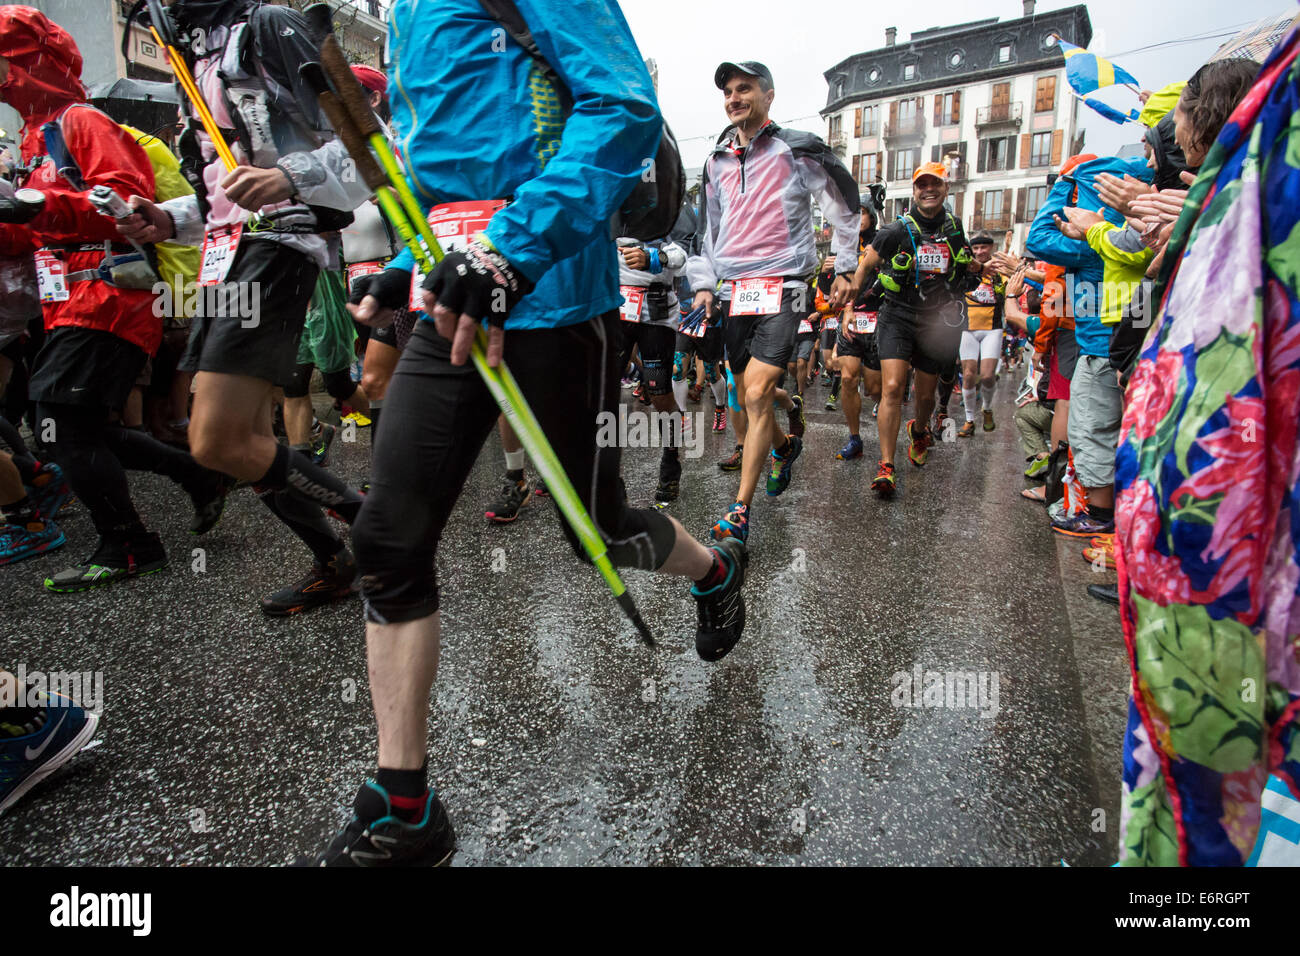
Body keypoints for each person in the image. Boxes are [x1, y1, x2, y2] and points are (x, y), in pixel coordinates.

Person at [306, 0, 749, 866]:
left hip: (553, 298)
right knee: (388, 538)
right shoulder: (406, 14)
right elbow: (449, 166)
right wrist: (405, 268)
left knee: (602, 531)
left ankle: (717, 568)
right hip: (452, 303)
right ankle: (406, 802)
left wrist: (513, 249)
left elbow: (622, 109)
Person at [118, 0, 373, 615]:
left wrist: (291, 173)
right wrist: (167, 218)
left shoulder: (267, 27)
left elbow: (372, 152)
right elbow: (219, 191)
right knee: (250, 439)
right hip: (223, 255)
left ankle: (373, 525)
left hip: (278, 248)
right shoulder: (189, 58)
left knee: (216, 443)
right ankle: (335, 560)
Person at [1114, 45, 1288, 867]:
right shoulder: (1238, 174)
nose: (1167, 132)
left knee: (1214, 780)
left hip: (1229, 555)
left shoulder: (1264, 155)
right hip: (1217, 554)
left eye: (1173, 116)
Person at [0, 6, 229, 592]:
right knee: (75, 424)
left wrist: (38, 205)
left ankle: (129, 541)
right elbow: (32, 233)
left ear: (29, 63)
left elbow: (127, 205)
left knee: (58, 420)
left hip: (109, 294)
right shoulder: (35, 135)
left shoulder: (83, 122)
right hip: (68, 299)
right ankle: (198, 477)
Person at [688, 60, 858, 543]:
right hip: (734, 289)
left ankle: (740, 512)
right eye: (728, 92)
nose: (735, 97)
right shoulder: (715, 159)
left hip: (786, 284)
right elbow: (707, 232)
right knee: (746, 395)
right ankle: (783, 448)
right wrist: (704, 282)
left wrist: (845, 265)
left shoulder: (797, 148)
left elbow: (844, 203)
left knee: (759, 395)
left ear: (769, 95)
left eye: (745, 88)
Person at [850, 161, 981, 497]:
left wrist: (978, 267)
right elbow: (866, 263)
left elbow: (964, 264)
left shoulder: (954, 228)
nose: (928, 190)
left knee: (925, 395)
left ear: (946, 188)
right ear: (914, 190)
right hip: (898, 315)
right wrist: (850, 303)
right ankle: (887, 465)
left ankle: (920, 430)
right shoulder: (896, 230)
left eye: (935, 184)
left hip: (935, 320)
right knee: (892, 387)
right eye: (922, 185)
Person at [615, 233, 690, 502]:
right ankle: (610, 477)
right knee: (604, 394)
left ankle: (671, 463)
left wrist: (654, 257)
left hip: (656, 312)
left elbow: (684, 255)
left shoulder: (665, 203)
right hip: (616, 307)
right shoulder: (609, 203)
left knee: (660, 395)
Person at [956, 233, 1005, 437]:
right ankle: (969, 420)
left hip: (992, 328)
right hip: (967, 328)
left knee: (986, 376)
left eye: (983, 248)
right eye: (975, 249)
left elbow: (1011, 290)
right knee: (968, 375)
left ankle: (986, 407)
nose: (979, 252)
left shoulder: (1000, 270)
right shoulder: (965, 269)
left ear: (991, 248)